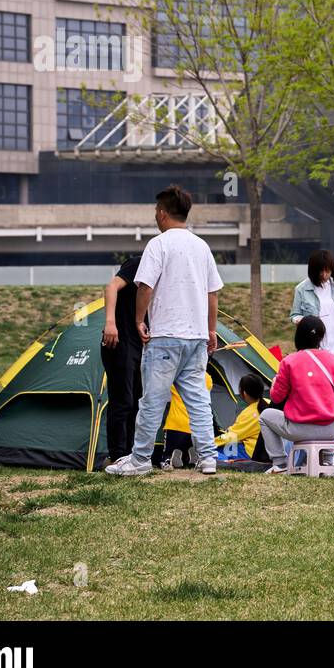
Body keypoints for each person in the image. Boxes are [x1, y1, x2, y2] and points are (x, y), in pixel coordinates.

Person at [106, 185, 224, 476]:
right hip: (196, 337)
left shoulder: (158, 245)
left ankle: (140, 459)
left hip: (166, 337)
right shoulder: (202, 246)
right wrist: (211, 331)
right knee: (197, 400)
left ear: (161, 213)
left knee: (152, 402)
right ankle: (208, 458)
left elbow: (144, 286)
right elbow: (213, 293)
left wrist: (138, 320)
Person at [259, 317, 334, 473]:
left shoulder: (289, 361)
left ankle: (280, 463)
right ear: (322, 336)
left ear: (298, 335)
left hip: (299, 429)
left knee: (265, 415)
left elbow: (276, 398)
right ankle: (326, 462)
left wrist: (274, 385)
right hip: (332, 429)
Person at [100, 251, 144, 464]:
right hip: (119, 340)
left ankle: (131, 455)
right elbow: (111, 287)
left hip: (140, 343)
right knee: (122, 401)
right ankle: (117, 456)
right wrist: (110, 323)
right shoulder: (138, 263)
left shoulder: (167, 273)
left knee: (137, 402)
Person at [290, 250, 334, 362]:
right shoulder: (301, 289)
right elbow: (294, 315)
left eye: (328, 271)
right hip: (317, 346)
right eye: (320, 271)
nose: (324, 275)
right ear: (313, 271)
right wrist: (301, 320)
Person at [215, 373, 271, 463]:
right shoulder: (269, 403)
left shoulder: (249, 413)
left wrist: (211, 443)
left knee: (213, 452)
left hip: (252, 453)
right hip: (269, 452)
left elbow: (232, 436)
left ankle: (227, 462)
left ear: (244, 393)